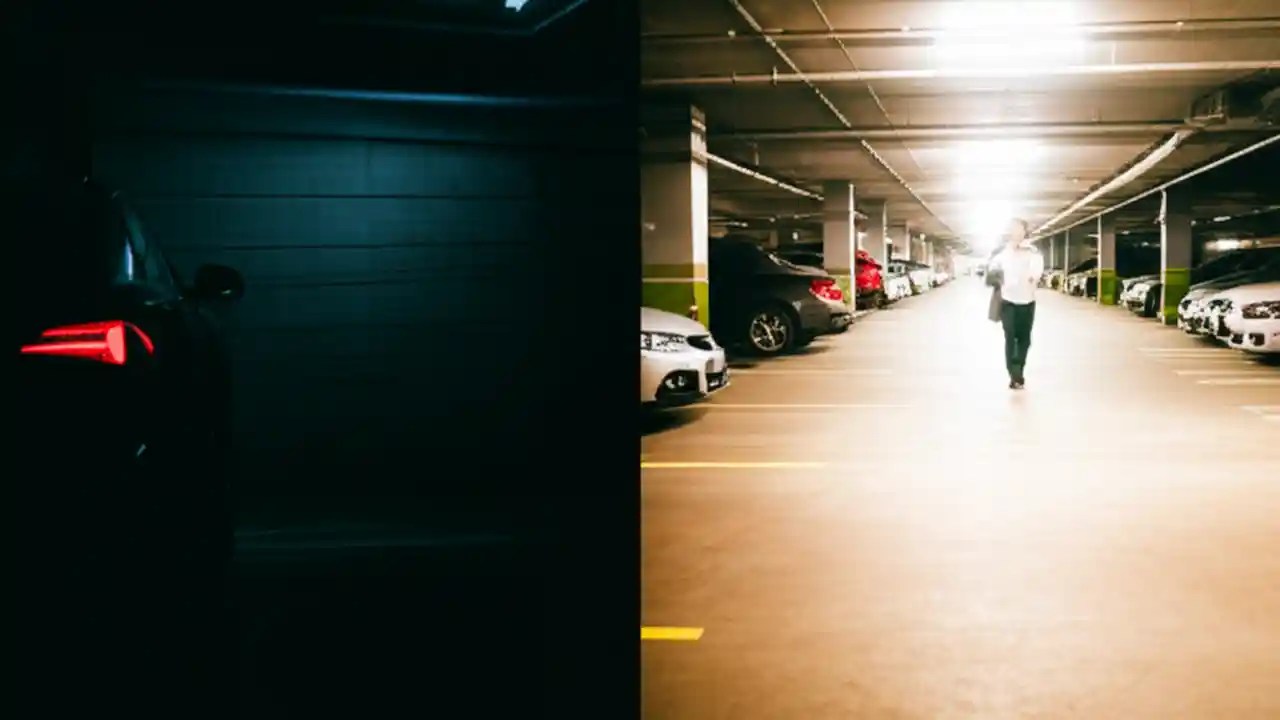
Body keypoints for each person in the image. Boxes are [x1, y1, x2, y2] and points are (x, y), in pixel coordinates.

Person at [986, 218, 1043, 389]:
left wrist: (1033, 276)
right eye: (1013, 229)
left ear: (1025, 231)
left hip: (1027, 300)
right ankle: (1014, 373)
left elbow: (1037, 269)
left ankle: (1019, 367)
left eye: (1019, 229)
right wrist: (995, 274)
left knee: (1024, 339)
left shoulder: (1033, 252)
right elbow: (992, 270)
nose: (1016, 232)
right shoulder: (1003, 252)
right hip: (1008, 300)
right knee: (1010, 336)